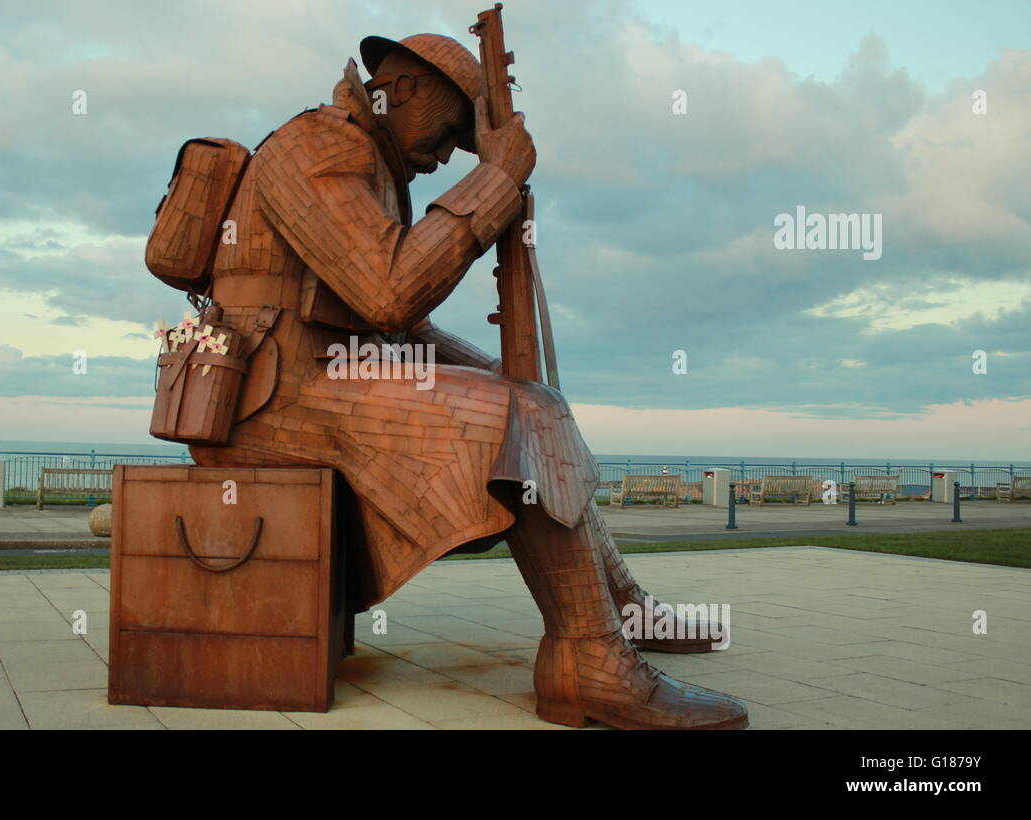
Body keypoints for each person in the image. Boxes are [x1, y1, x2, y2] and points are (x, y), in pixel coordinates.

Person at [186, 32, 747, 729]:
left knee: (537, 408)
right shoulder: (319, 147)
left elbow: (386, 326)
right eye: (452, 129)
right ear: (410, 86)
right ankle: (589, 658)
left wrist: (501, 378)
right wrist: (496, 181)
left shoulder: (372, 166)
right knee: (525, 415)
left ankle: (617, 606)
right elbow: (389, 292)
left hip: (314, 382)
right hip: (270, 408)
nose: (451, 153)